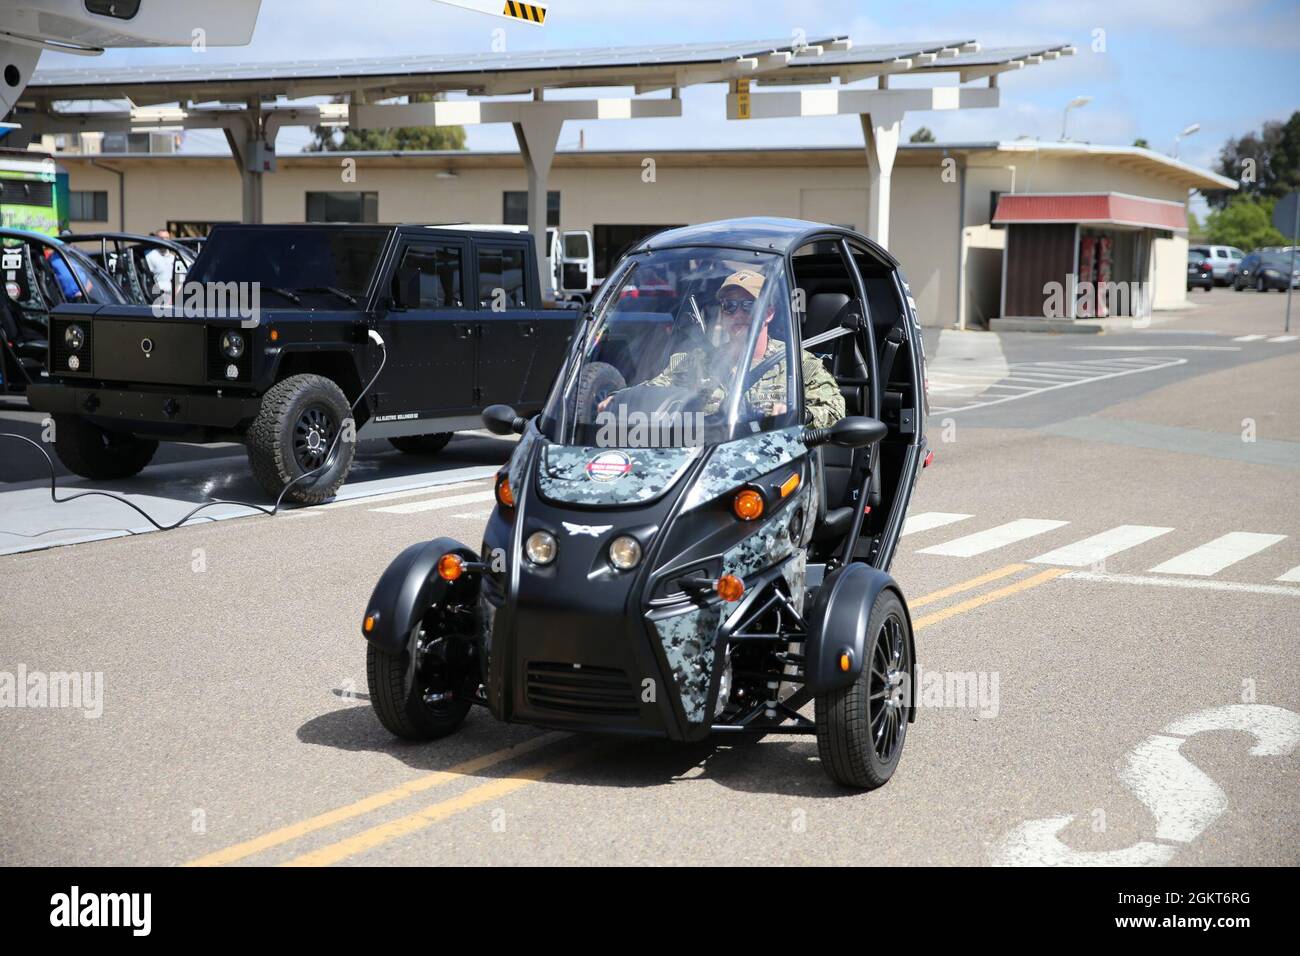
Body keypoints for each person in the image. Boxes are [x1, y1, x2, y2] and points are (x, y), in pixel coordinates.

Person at [600, 269, 845, 428]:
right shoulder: (698, 361)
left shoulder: (798, 364)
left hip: (769, 473)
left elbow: (834, 411)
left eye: (748, 306)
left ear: (768, 314)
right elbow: (657, 387)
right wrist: (619, 400)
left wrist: (794, 415)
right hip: (703, 470)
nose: (738, 314)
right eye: (730, 306)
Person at [144, 229, 183, 307]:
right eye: (162, 238)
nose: (165, 241)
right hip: (157, 299)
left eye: (167, 238)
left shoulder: (174, 258)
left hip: (173, 299)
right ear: (156, 239)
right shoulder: (150, 257)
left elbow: (178, 280)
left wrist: (174, 298)